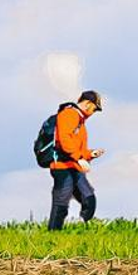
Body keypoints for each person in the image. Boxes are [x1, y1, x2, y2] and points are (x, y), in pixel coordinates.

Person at [48, 90, 105, 230]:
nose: (93, 112)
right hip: (62, 167)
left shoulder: (79, 121)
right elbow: (65, 140)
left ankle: (81, 227)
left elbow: (77, 148)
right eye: (94, 109)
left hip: (74, 167)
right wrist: (79, 158)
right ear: (87, 104)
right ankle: (52, 235)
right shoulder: (69, 114)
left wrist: (91, 154)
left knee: (89, 199)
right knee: (61, 205)